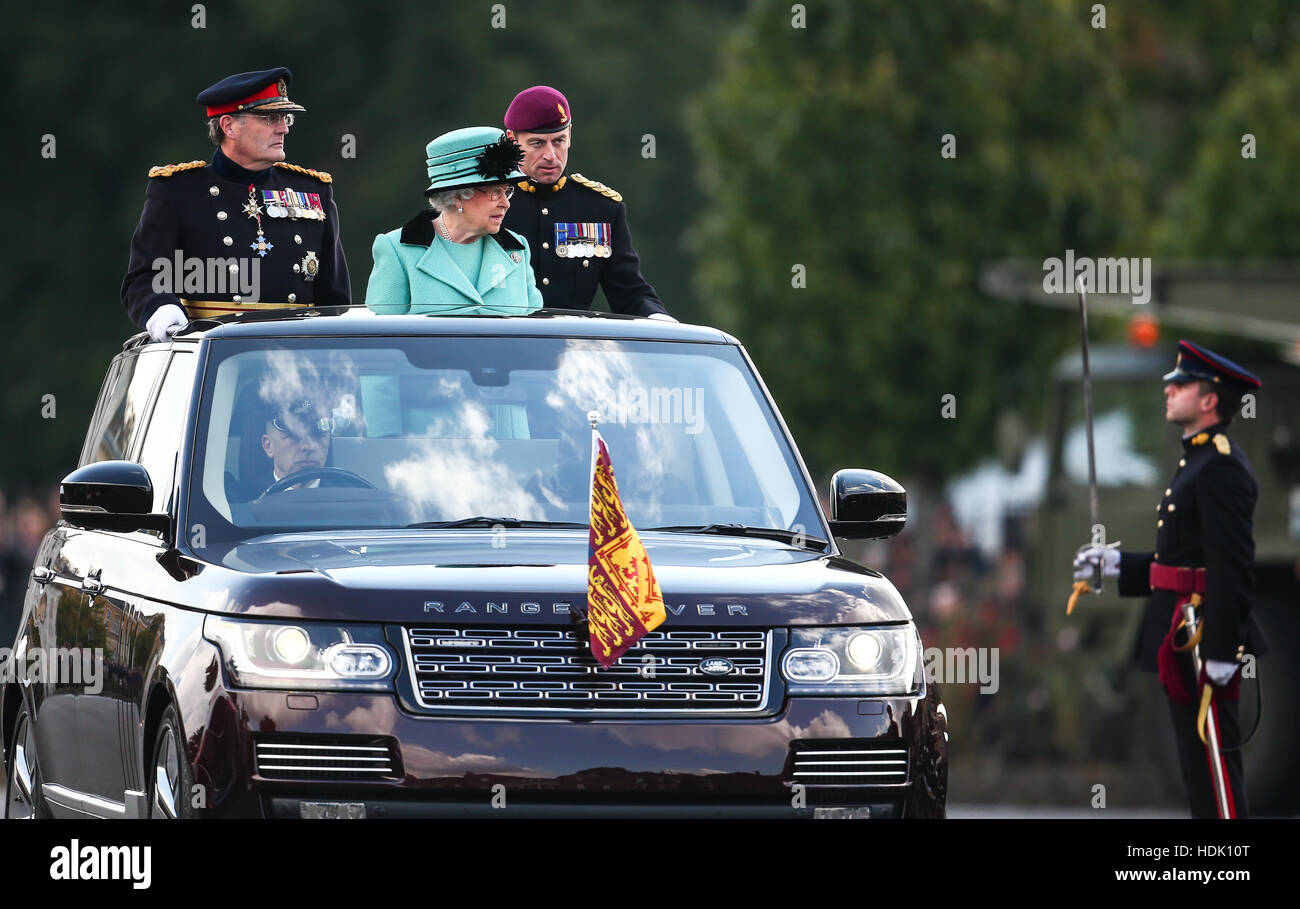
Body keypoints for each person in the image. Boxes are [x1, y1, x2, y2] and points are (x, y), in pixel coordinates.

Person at [1073, 339, 1264, 818]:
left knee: (1217, 772)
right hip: (1182, 630)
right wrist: (1118, 566)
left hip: (1203, 638)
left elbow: (1230, 567)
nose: (1169, 390)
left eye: (1180, 383)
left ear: (1209, 399)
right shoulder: (1195, 462)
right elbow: (1180, 560)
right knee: (1196, 771)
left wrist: (1222, 652)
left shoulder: (1220, 466)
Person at [122, 67, 350, 342]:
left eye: (285, 117)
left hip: (299, 361)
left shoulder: (312, 191)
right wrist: (162, 309)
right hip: (215, 361)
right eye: (270, 118)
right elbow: (145, 278)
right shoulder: (178, 191)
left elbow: (334, 302)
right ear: (228, 126)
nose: (284, 127)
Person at [501, 86, 672, 319]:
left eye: (559, 141)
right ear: (512, 140)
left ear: (570, 135)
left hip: (571, 348)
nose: (551, 155)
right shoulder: (492, 202)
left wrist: (660, 320)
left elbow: (630, 293)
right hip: (502, 345)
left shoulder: (601, 209)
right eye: (537, 143)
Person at [365, 127, 543, 315]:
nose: (505, 203)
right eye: (495, 192)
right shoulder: (398, 250)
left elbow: (536, 330)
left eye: (507, 191)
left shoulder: (516, 249)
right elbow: (382, 336)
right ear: (458, 197)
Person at [259, 399, 332, 495]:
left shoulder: (350, 495)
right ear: (268, 446)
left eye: (318, 435)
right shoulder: (238, 500)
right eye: (294, 436)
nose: (309, 447)